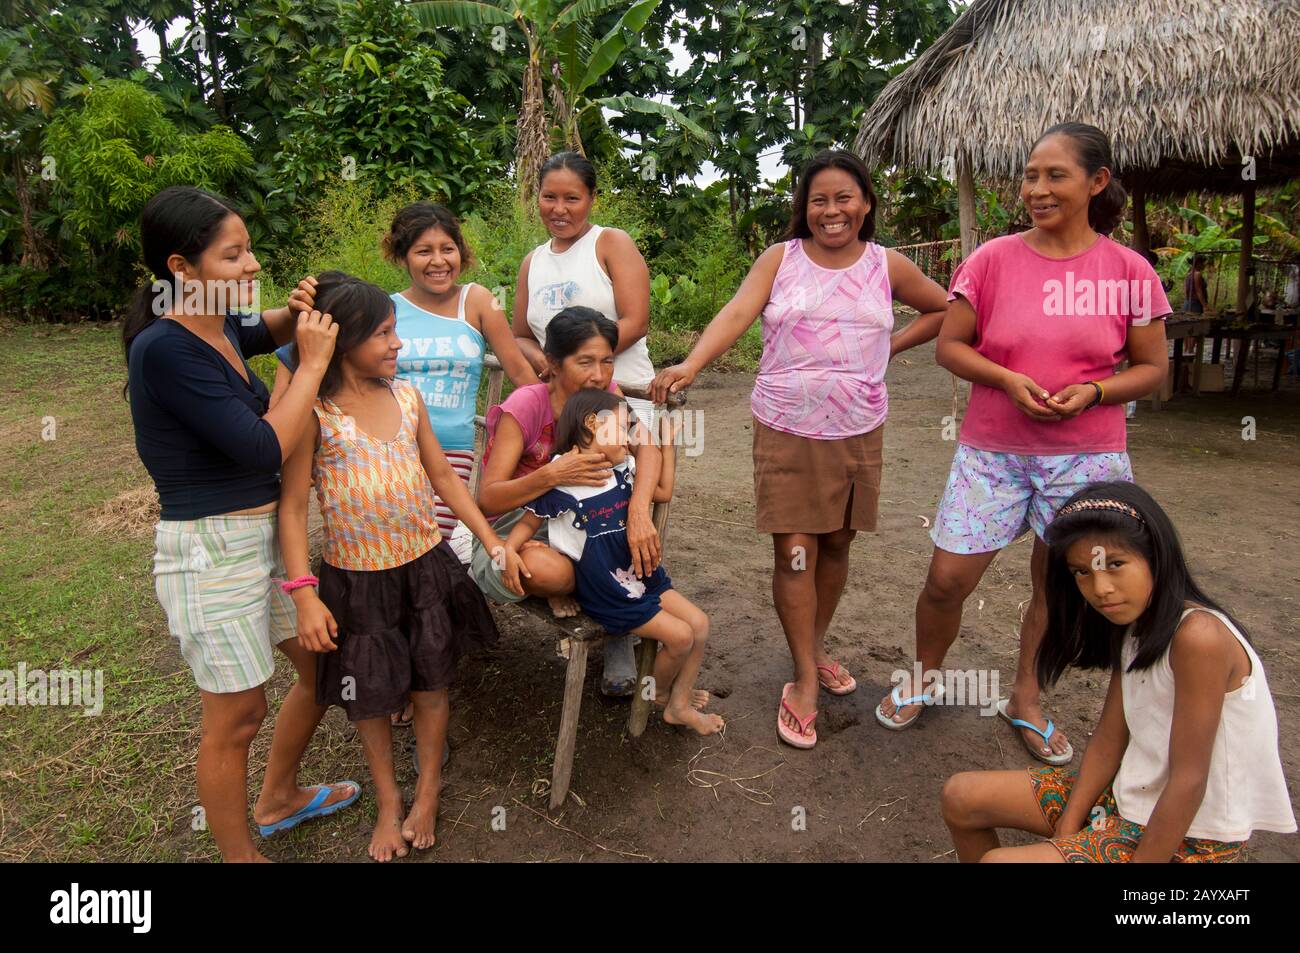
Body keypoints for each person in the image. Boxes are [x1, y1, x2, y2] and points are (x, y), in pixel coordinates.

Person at [874, 123, 1171, 766]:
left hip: (1087, 457)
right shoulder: (992, 261)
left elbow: (1152, 369)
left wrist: (1094, 392)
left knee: (1055, 584)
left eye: (1054, 176)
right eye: (1030, 175)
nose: (1036, 189)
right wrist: (1005, 378)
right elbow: (950, 347)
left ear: (1096, 183)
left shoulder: (1130, 272)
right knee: (947, 579)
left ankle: (1027, 698)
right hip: (993, 452)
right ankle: (924, 675)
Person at [652, 149, 948, 749]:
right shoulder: (780, 259)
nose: (831, 211)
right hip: (786, 424)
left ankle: (812, 649)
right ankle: (804, 680)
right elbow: (739, 311)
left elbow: (944, 308)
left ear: (865, 203)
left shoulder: (886, 265)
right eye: (819, 200)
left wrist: (888, 349)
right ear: (804, 208)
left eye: (844, 198)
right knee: (794, 549)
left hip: (859, 427)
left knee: (837, 542)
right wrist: (692, 363)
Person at [124, 185, 358, 862]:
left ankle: (279, 797)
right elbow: (262, 446)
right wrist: (312, 366)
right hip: (211, 549)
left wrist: (305, 308)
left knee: (322, 673)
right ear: (182, 268)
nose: (253, 264)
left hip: (266, 544)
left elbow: (274, 325)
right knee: (235, 718)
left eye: (250, 248)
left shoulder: (218, 322)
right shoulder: (165, 349)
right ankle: (238, 854)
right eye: (234, 255)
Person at [277, 272, 520, 861]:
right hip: (354, 581)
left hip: (423, 568)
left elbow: (443, 477)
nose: (397, 344)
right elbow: (292, 505)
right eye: (384, 334)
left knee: (431, 683)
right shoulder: (315, 412)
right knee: (373, 698)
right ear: (344, 339)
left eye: (395, 332)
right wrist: (304, 593)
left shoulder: (406, 399)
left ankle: (428, 789)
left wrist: (489, 538)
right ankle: (389, 802)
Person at [271, 202, 538, 729]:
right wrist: (291, 344)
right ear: (401, 255)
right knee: (385, 570)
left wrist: (553, 410)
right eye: (423, 250)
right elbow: (305, 356)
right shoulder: (381, 309)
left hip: (447, 454)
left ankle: (423, 676)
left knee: (424, 567)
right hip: (370, 454)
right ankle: (394, 678)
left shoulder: (478, 302)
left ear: (462, 251)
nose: (438, 260)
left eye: (447, 248)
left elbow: (520, 372)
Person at [940, 481, 1296, 862]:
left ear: (1155, 555)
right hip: (1128, 795)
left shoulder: (1199, 637)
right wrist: (1067, 830)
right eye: (1082, 572)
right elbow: (1109, 737)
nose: (1101, 588)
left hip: (1191, 834)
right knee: (961, 796)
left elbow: (1190, 780)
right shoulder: (1133, 623)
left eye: (1115, 564)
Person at [514, 152, 656, 693]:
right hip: (561, 410)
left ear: (591, 199)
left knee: (622, 518)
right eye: (550, 196)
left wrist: (584, 361)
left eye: (572, 197)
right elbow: (521, 331)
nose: (559, 207)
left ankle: (623, 634)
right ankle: (588, 600)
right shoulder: (533, 262)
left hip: (619, 402)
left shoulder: (610, 243)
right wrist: (547, 365)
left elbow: (637, 319)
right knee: (574, 514)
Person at [501, 392, 723, 735]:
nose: (630, 437)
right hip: (608, 592)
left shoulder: (623, 468)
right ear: (593, 425)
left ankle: (674, 697)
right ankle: (662, 695)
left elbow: (662, 490)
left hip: (642, 576)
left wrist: (665, 445)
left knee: (700, 625)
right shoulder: (561, 474)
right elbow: (530, 521)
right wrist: (510, 551)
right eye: (623, 428)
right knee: (680, 637)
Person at [474, 307, 663, 696]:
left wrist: (640, 510)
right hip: (519, 523)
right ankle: (610, 610)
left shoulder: (608, 398)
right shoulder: (527, 406)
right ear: (553, 364)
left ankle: (617, 631)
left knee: (622, 531)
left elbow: (650, 449)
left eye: (607, 360)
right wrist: (551, 476)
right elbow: (488, 496)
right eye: (585, 362)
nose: (600, 374)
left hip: (591, 521)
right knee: (549, 573)